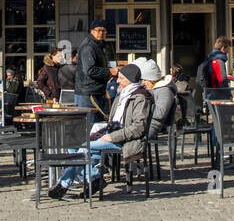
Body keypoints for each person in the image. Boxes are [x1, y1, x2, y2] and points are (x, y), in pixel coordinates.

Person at [47, 64, 153, 199]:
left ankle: (64, 184)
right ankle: (94, 177)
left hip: (126, 140)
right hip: (112, 133)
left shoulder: (140, 98)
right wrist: (101, 132)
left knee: (85, 149)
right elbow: (114, 122)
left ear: (129, 80)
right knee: (74, 148)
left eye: (120, 78)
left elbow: (138, 128)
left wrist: (111, 137)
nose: (117, 81)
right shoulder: (123, 94)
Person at [76, 20, 116, 121]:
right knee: (89, 126)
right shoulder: (88, 46)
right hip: (88, 93)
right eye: (98, 30)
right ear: (92, 31)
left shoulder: (100, 45)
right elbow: (90, 70)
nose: (101, 33)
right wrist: (109, 72)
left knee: (98, 126)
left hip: (97, 91)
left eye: (103, 31)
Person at [139, 58, 176, 138]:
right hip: (142, 123)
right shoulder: (148, 88)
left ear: (152, 79)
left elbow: (160, 113)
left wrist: (141, 109)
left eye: (145, 80)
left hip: (151, 125)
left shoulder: (165, 91)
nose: (143, 82)